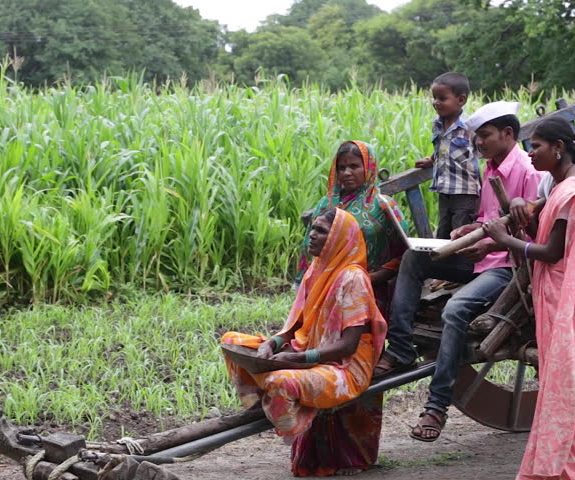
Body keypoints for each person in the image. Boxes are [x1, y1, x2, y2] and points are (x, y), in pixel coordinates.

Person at [375, 101, 542, 442]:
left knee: (455, 309)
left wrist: (491, 244)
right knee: (414, 259)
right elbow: (488, 220)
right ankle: (401, 347)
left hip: (510, 267)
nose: (478, 143)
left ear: (507, 134)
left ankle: (437, 406)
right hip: (483, 258)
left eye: (485, 136)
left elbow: (534, 236)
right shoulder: (492, 169)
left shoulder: (529, 172)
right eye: (476, 136)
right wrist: (469, 232)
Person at [482, 116, 575, 480]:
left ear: (558, 148)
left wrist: (504, 240)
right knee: (562, 390)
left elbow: (553, 252)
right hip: (559, 297)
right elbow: (536, 216)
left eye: (536, 145)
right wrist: (518, 209)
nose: (529, 152)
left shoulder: (574, 193)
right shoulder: (552, 184)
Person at [223, 208, 388, 476]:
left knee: (279, 382)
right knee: (231, 341)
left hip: (343, 367)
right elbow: (294, 327)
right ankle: (269, 404)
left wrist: (298, 359)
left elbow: (347, 347)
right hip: (307, 351)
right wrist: (273, 345)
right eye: (312, 228)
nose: (311, 235)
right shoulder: (316, 269)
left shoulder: (353, 277)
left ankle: (292, 414)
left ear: (338, 237)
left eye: (321, 230)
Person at [296, 141, 407, 315]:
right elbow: (307, 247)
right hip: (324, 286)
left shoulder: (383, 205)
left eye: (354, 166)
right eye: (341, 168)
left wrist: (367, 280)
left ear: (369, 168)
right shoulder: (326, 204)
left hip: (369, 287)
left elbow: (403, 253)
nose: (346, 173)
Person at [415, 72, 479, 239]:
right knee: (444, 229)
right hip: (445, 189)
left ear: (461, 100)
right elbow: (442, 147)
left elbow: (483, 151)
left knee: (461, 231)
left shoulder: (470, 127)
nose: (436, 102)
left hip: (465, 191)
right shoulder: (437, 123)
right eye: (434, 98)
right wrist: (431, 160)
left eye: (442, 98)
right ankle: (444, 264)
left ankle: (463, 264)